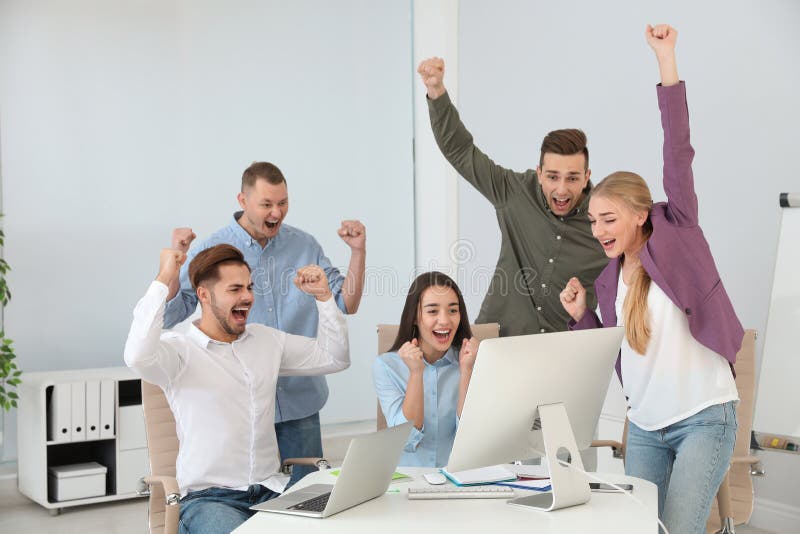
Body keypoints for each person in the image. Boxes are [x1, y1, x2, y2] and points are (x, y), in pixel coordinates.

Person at [559, 25, 741, 534]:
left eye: (608, 219)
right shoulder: (607, 281)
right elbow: (610, 351)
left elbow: (678, 149)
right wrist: (581, 317)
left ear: (640, 215)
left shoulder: (679, 232)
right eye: (593, 221)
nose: (599, 231)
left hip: (704, 416)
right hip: (644, 428)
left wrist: (666, 60)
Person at [163, 161, 366, 486]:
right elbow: (170, 313)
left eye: (283, 203)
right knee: (247, 503)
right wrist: (173, 263)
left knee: (307, 500)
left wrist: (358, 251)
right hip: (241, 407)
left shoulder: (305, 245)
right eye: (267, 204)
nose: (276, 212)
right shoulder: (214, 251)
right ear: (242, 201)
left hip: (300, 402)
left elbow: (346, 303)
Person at [124, 244, 350, 534]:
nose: (247, 297)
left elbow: (334, 358)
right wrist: (164, 278)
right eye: (235, 289)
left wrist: (324, 297)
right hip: (208, 500)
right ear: (204, 295)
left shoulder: (265, 341)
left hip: (272, 490)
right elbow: (137, 357)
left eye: (249, 287)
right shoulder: (179, 350)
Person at [417, 56, 608, 337]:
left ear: (587, 176)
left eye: (572, 178)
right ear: (539, 173)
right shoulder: (515, 191)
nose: (561, 189)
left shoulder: (606, 220)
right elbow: (461, 151)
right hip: (497, 340)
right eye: (552, 177)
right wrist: (436, 91)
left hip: (562, 349)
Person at [373, 271, 479, 467]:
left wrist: (467, 372)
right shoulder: (387, 366)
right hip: (408, 480)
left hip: (458, 476)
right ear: (414, 316)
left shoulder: (471, 361)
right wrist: (416, 373)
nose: (445, 320)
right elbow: (406, 441)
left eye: (452, 310)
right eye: (432, 311)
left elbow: (472, 439)